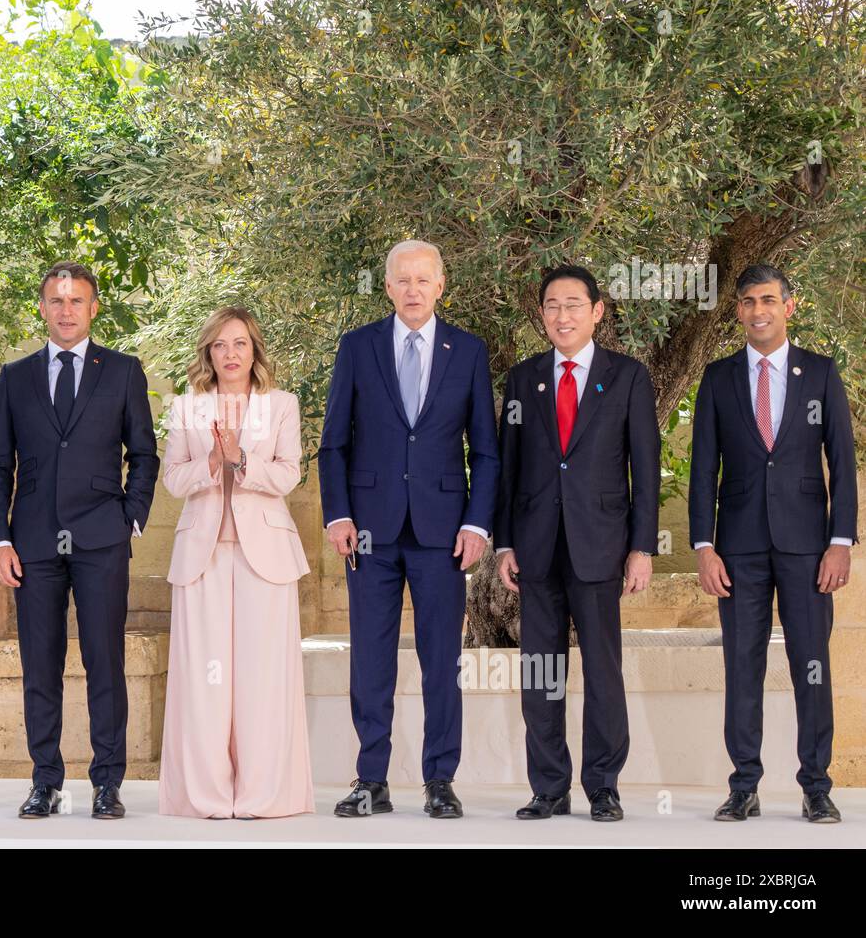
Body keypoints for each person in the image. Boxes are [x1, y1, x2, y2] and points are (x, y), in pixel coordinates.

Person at [319, 239, 499, 818]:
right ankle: (371, 778)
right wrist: (339, 513)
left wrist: (477, 522)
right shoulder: (357, 347)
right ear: (388, 286)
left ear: (442, 285)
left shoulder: (468, 352)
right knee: (370, 659)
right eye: (403, 280)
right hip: (367, 532)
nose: (414, 290)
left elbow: (487, 453)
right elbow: (333, 445)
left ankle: (440, 779)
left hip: (444, 533)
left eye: (425, 280)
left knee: (440, 659)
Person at [0, 261, 158, 819]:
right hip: (32, 542)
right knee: (41, 664)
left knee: (105, 660)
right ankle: (45, 781)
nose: (66, 311)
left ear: (93, 308)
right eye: (56, 301)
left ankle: (108, 782)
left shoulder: (124, 371)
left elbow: (145, 454)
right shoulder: (16, 376)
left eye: (76, 301)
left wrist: (131, 517)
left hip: (102, 538)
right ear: (42, 307)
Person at [689, 263, 856, 823]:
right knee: (743, 665)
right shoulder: (717, 378)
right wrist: (702, 546)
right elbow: (701, 471)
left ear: (789, 305)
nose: (758, 310)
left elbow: (844, 464)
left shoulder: (821, 374)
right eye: (747, 301)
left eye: (768, 299)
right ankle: (744, 786)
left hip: (809, 549)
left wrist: (841, 541)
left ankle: (816, 785)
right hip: (737, 550)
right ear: (737, 310)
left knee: (812, 665)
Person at [494, 264, 660, 822]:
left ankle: (604, 785)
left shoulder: (629, 377)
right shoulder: (523, 379)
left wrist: (642, 548)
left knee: (604, 671)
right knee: (541, 671)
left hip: (601, 547)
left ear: (597, 311)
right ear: (541, 315)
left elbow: (646, 467)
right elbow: (508, 470)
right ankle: (548, 787)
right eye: (551, 306)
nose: (561, 315)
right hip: (537, 549)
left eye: (572, 305)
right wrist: (504, 544)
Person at [157, 307, 314, 818]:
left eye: (240, 344)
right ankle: (204, 797)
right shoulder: (186, 408)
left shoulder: (282, 405)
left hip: (264, 555)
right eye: (221, 345)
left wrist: (241, 462)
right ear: (209, 351)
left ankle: (263, 795)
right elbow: (173, 480)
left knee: (263, 678)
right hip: (201, 553)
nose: (230, 354)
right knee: (204, 683)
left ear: (254, 350)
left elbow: (289, 474)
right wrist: (210, 463)